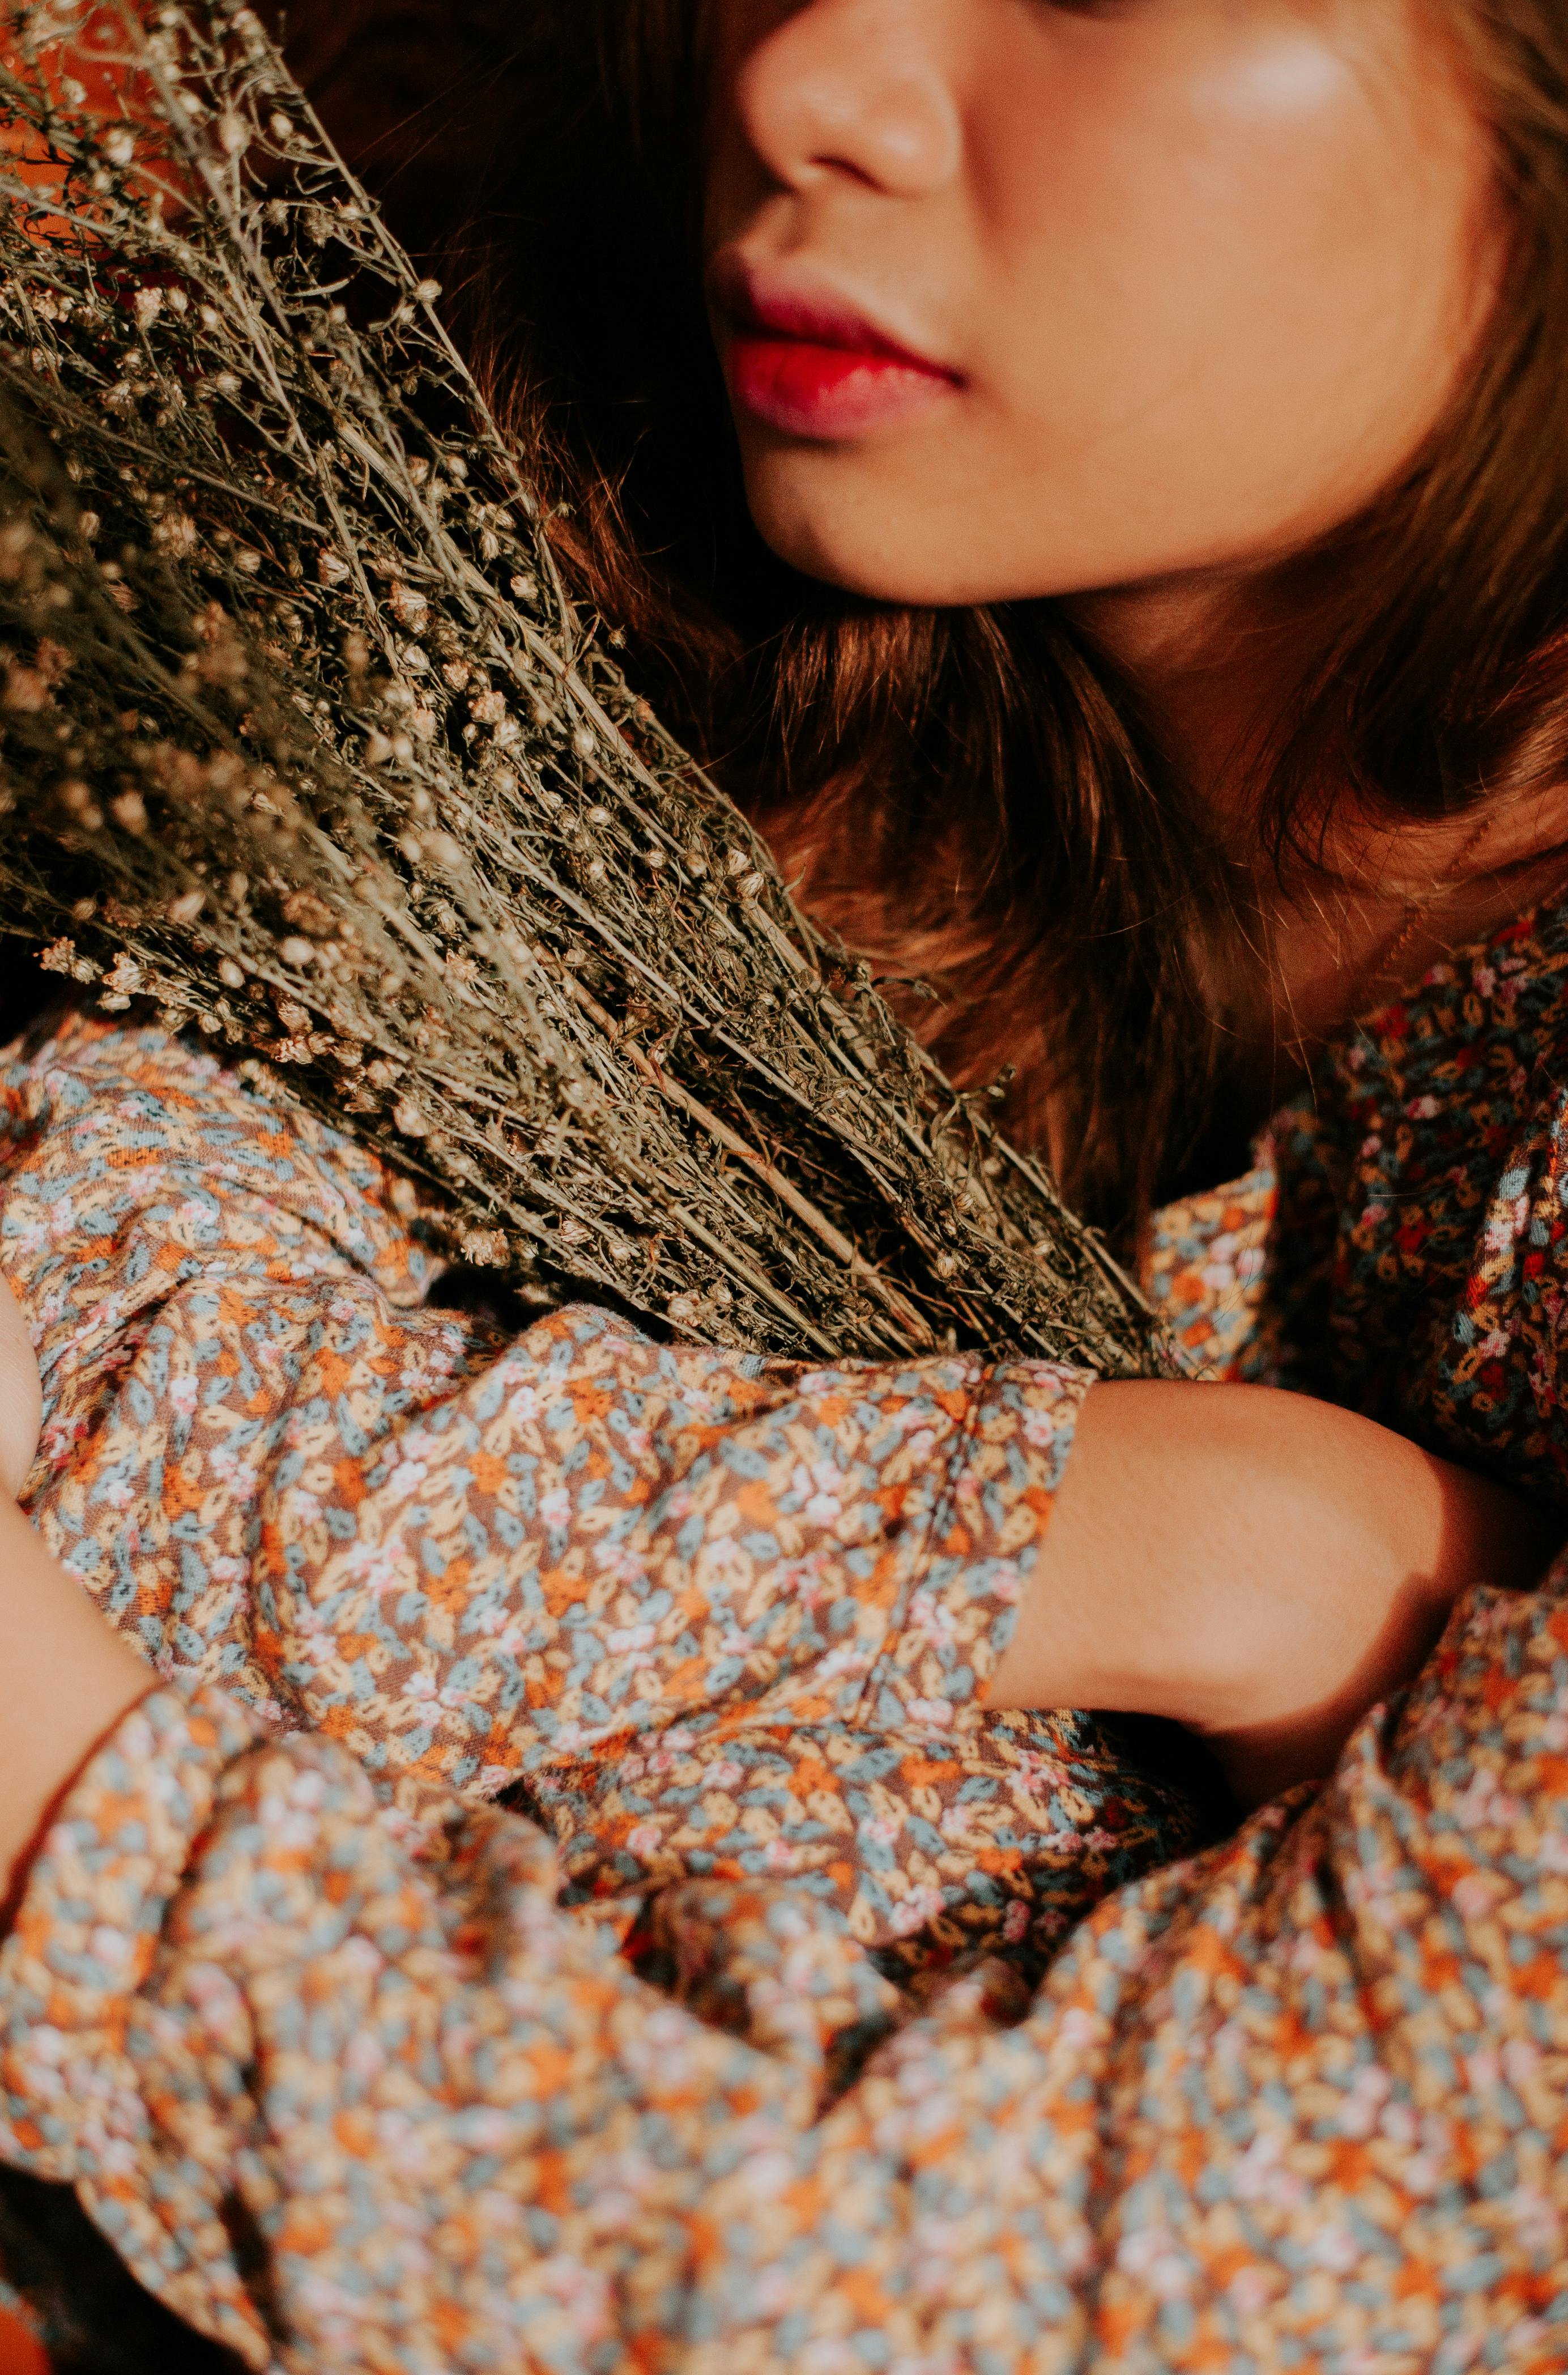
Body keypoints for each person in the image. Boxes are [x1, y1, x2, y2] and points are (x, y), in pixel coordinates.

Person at [1, 0, 1567, 2363]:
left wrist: (56, 1805)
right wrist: (1187, 1534)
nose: (803, 79)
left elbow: (921, 2302)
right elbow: (91, 1344)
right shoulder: (518, 476)